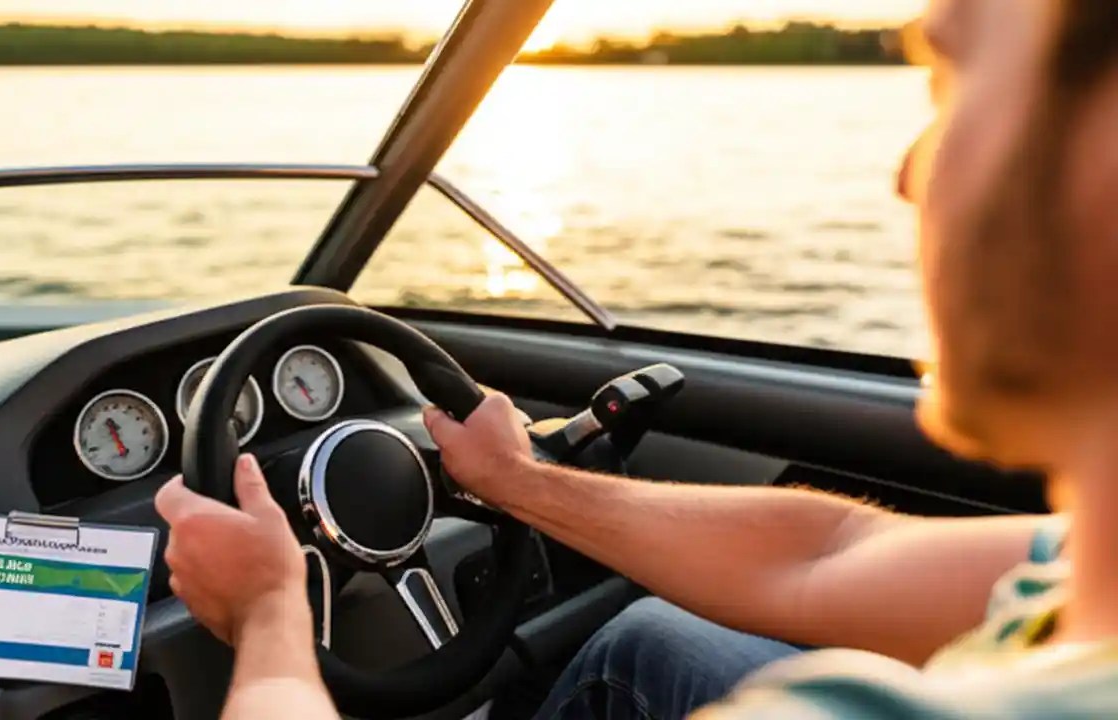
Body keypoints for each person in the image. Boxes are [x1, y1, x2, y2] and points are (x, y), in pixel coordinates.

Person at [154, 0, 1118, 717]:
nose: (908, 172)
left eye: (952, 80)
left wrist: (270, 617)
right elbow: (829, 554)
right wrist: (515, 481)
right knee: (648, 641)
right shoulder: (1076, 568)